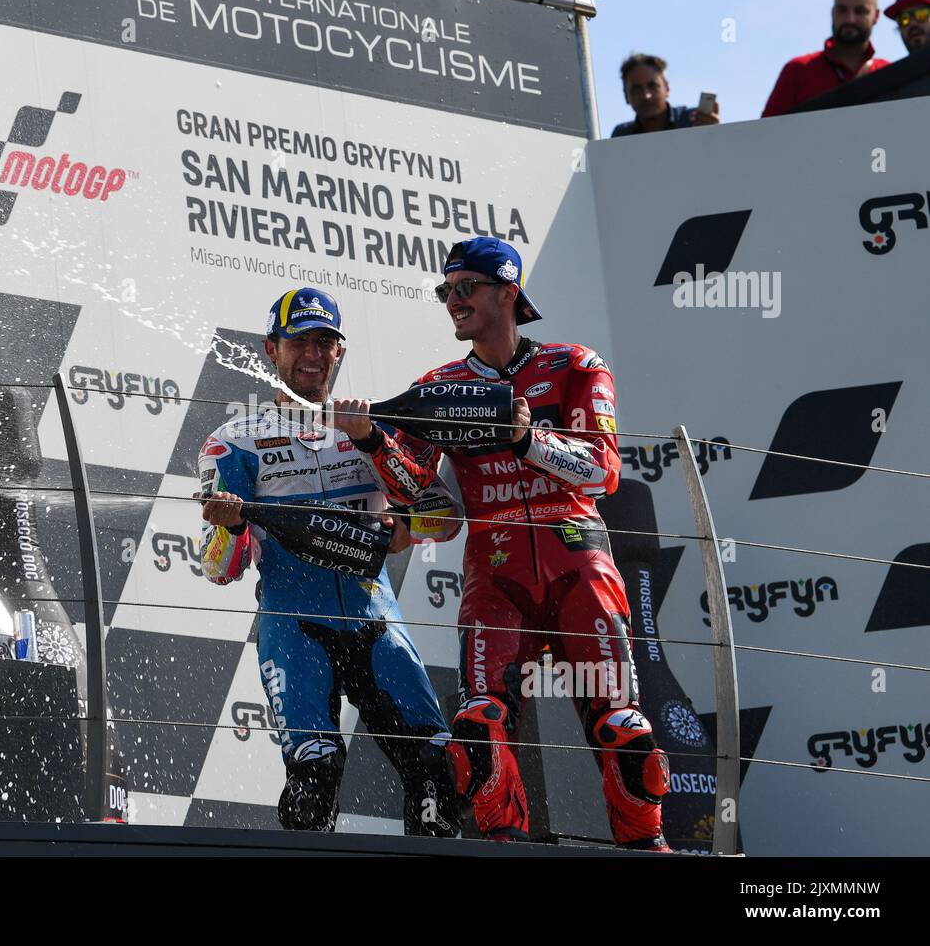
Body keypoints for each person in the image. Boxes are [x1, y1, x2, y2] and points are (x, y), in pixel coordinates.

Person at [340, 237, 671, 850]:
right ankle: (504, 846)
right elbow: (426, 502)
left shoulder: (576, 365)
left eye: (465, 287)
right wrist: (370, 442)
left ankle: (646, 846)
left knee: (625, 731)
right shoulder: (439, 385)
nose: (452, 301)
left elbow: (603, 472)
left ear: (508, 292)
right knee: (477, 728)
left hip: (581, 563)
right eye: (445, 291)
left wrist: (527, 441)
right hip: (495, 572)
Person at [198, 288, 461, 836]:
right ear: (271, 349)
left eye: (325, 342)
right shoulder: (234, 442)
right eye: (299, 342)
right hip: (295, 626)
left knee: (434, 765)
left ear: (339, 352)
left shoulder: (372, 426)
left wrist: (393, 499)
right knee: (313, 777)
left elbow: (443, 519)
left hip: (374, 620)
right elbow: (219, 568)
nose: (313, 354)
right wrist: (231, 526)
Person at [763, 0, 890, 117]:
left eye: (860, 11)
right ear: (833, 13)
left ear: (876, 16)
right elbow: (765, 133)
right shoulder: (797, 71)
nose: (850, 19)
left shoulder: (890, 73)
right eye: (842, 10)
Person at [610, 53, 718, 137]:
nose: (646, 96)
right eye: (637, 89)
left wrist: (716, 134)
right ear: (626, 96)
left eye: (653, 86)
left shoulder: (694, 121)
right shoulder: (621, 135)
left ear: (667, 88)